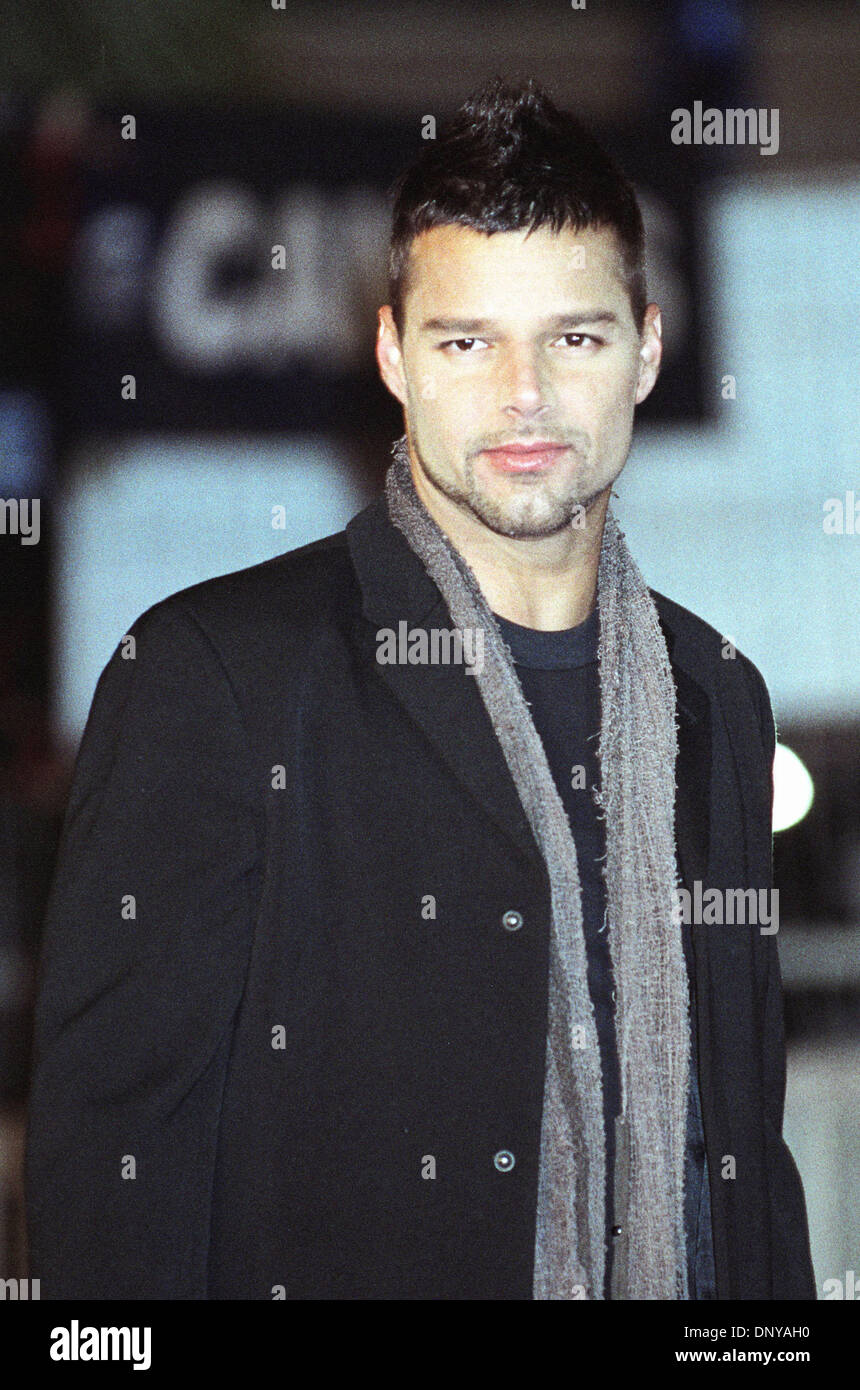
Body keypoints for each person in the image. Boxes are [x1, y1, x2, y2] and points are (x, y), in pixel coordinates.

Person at [24, 78, 814, 1300]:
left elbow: (743, 1163)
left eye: (573, 337)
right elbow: (112, 1171)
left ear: (646, 350)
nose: (524, 396)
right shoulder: (218, 676)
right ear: (393, 353)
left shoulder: (714, 696)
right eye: (467, 341)